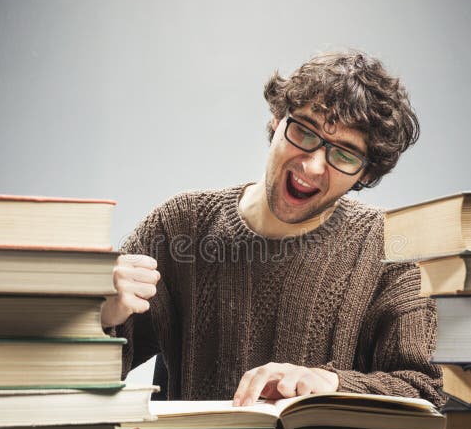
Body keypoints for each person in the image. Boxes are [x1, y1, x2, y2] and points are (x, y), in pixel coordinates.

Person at [102, 50, 445, 408]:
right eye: (304, 132)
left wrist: (334, 382)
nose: (312, 166)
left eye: (344, 154)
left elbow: (427, 388)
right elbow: (85, 379)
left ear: (367, 172)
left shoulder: (392, 247)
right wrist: (98, 316)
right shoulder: (180, 226)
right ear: (277, 119)